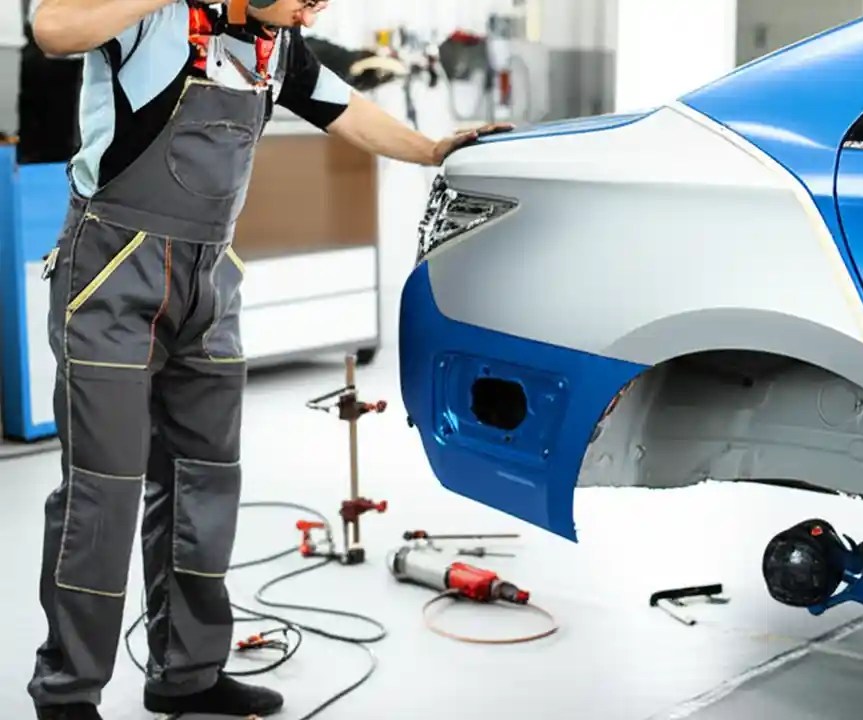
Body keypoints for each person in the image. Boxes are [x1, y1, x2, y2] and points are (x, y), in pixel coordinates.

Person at [25, 1, 511, 718]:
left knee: (205, 482)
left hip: (208, 281)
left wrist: (432, 150)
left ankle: (185, 672)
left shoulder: (275, 47)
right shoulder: (153, 22)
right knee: (104, 491)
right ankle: (67, 695)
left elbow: (344, 109)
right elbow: (53, 27)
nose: (316, 7)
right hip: (112, 271)